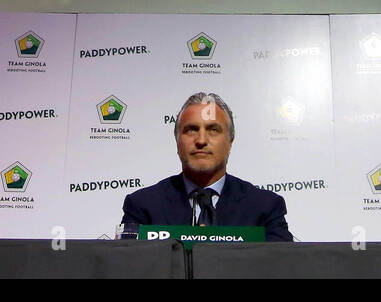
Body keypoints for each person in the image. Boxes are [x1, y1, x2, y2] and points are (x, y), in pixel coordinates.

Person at [120, 92, 293, 241]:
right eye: (191, 130)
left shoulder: (265, 207)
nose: (201, 140)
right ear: (177, 141)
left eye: (213, 130)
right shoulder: (142, 206)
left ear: (230, 142)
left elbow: (283, 267)